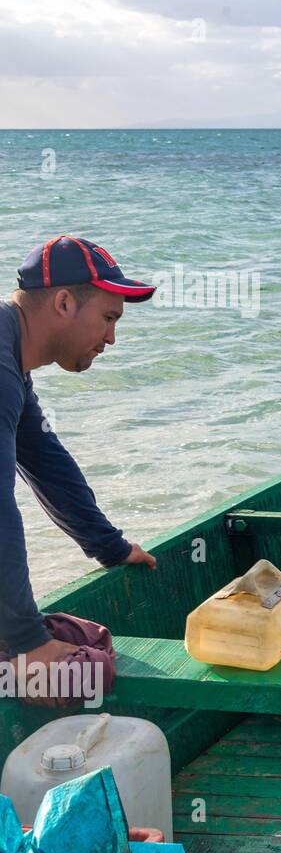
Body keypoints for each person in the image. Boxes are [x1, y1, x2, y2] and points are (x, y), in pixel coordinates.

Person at [1, 236, 158, 706]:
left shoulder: (12, 359)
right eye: (109, 318)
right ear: (65, 302)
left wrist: (108, 545)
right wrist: (30, 643)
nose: (111, 338)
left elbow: (47, 463)